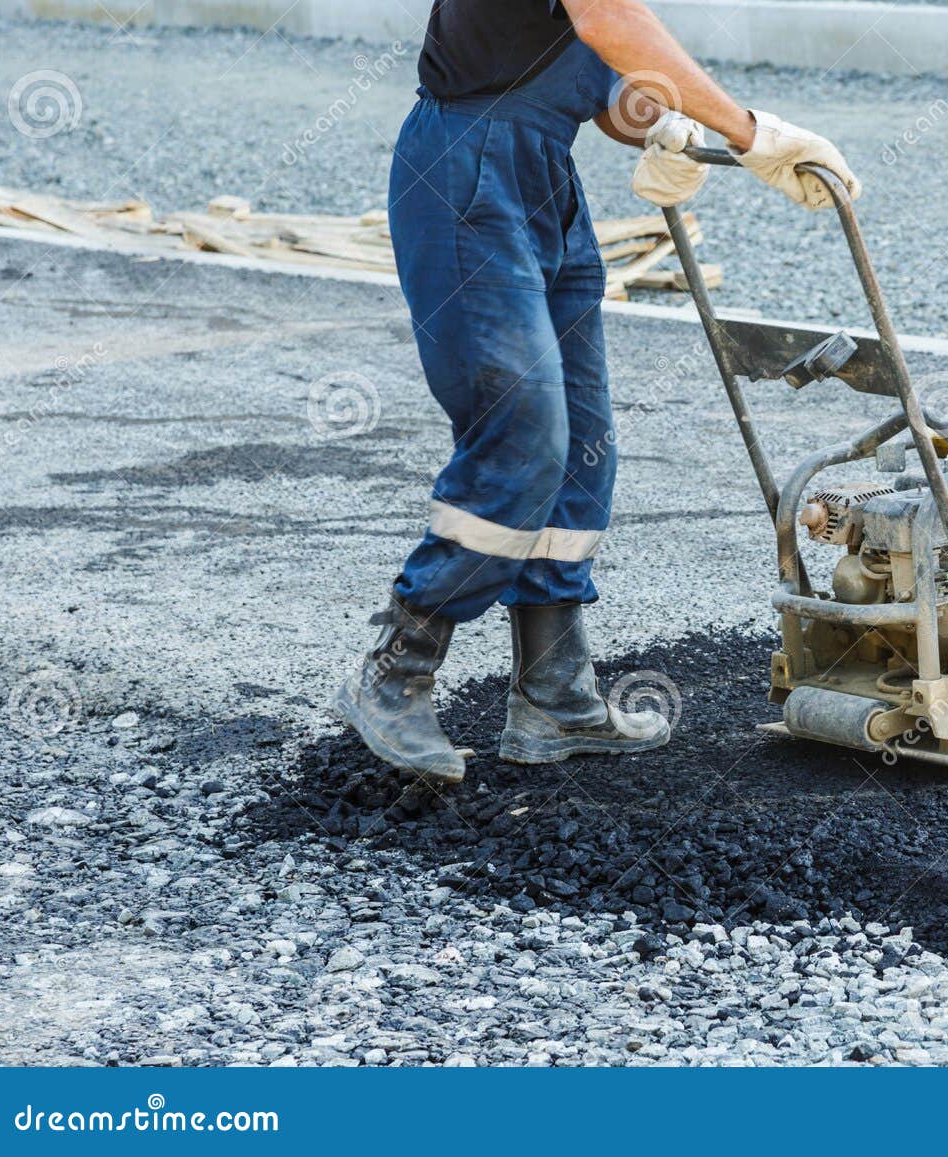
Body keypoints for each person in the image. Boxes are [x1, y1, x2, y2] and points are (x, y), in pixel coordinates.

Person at [334, 0, 860, 784]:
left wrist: (658, 120)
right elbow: (609, 20)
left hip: (542, 173)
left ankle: (553, 693)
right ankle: (396, 667)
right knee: (523, 441)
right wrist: (752, 133)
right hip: (466, 171)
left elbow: (602, 79)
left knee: (583, 448)